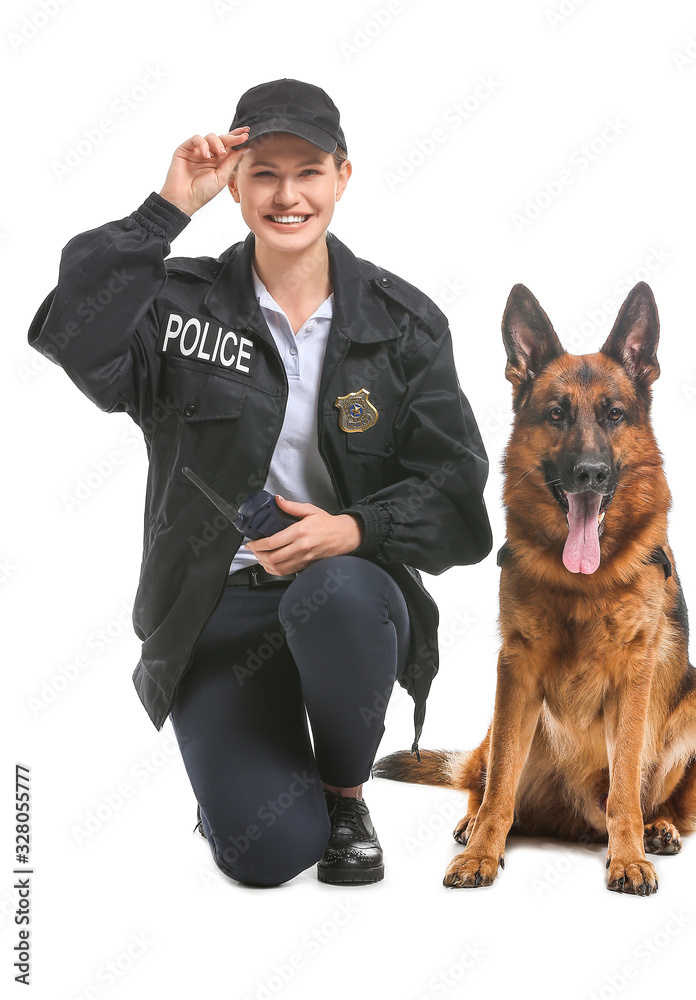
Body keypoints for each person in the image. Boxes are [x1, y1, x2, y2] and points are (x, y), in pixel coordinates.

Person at [28, 78, 492, 887]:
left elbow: (458, 499)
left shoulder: (404, 324)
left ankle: (344, 792)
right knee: (268, 856)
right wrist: (162, 214)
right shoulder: (177, 308)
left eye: (307, 171)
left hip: (349, 597)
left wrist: (352, 531)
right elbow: (71, 333)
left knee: (337, 591)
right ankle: (248, 775)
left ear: (343, 177)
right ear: (236, 184)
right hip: (216, 611)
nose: (287, 195)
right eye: (264, 173)